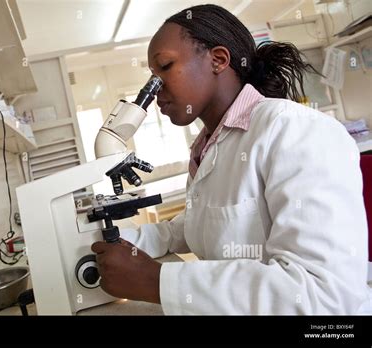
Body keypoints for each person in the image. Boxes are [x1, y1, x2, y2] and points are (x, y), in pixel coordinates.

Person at [91, 4, 369, 314]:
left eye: (165, 67)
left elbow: (321, 294)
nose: (155, 90)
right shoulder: (209, 146)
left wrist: (156, 281)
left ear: (218, 60)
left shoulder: (293, 129)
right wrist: (115, 242)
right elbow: (205, 222)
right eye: (152, 77)